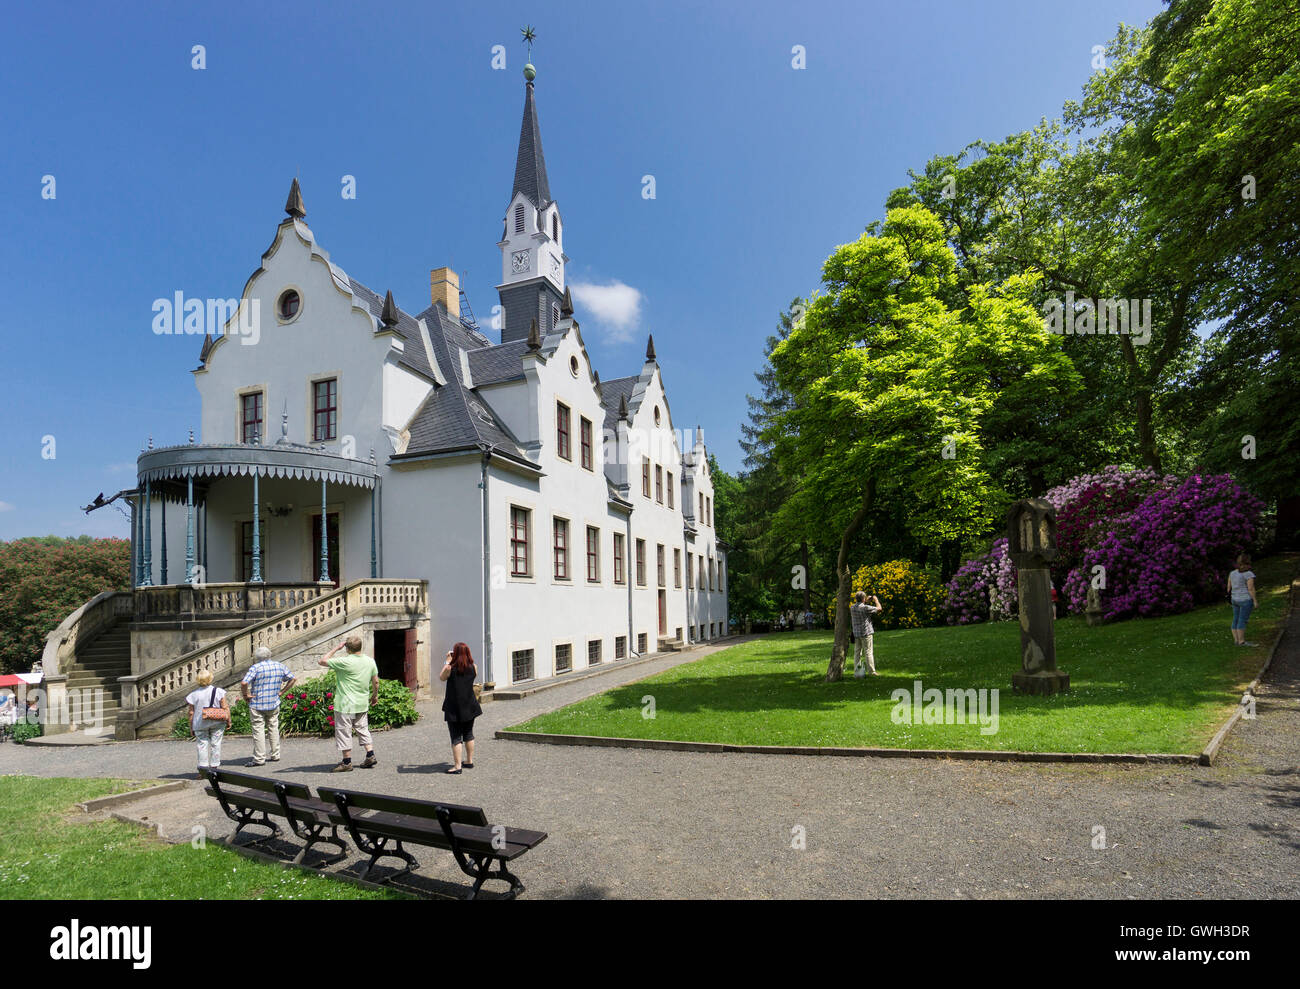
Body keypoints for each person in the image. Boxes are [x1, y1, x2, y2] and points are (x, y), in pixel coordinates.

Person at [320, 636, 379, 772]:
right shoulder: (370, 661)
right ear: (360, 647)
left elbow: (322, 661)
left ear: (347, 648)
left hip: (345, 704)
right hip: (362, 701)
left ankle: (347, 762)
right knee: (362, 728)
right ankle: (370, 754)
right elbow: (375, 682)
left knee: (344, 731)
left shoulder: (344, 661)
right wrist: (374, 696)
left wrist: (336, 648)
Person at [240, 646, 296, 766]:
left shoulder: (255, 667)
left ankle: (259, 758)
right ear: (270, 655)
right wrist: (282, 691)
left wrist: (246, 695)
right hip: (273, 702)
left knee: (258, 730)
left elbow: (244, 682)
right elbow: (292, 678)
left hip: (257, 703)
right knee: (273, 727)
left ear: (256, 657)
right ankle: (275, 754)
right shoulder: (279, 665)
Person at [440, 642, 483, 774]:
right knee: (469, 733)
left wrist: (447, 661)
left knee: (456, 737)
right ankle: (469, 761)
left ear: (455, 654)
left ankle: (457, 766)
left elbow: (441, 678)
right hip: (470, 706)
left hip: (454, 707)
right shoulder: (473, 667)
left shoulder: (449, 669)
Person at [185, 670, 229, 775]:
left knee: (201, 745)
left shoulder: (193, 695)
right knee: (216, 743)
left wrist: (191, 727)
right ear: (210, 679)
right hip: (217, 721)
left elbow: (191, 713)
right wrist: (228, 720)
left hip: (200, 723)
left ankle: (203, 769)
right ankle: (214, 767)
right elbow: (225, 707)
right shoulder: (219, 691)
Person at [1228, 554, 1259, 647]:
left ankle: (1236, 640)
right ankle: (1242, 641)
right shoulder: (1249, 574)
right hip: (1245, 600)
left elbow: (1228, 587)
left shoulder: (1232, 573)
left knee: (1236, 619)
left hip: (1234, 599)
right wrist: (1255, 601)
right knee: (1242, 620)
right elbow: (1251, 588)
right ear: (1248, 562)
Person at [850, 590, 883, 678]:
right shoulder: (865, 608)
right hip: (866, 633)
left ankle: (857, 672)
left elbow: (861, 606)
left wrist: (865, 601)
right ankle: (871, 671)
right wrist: (876, 600)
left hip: (856, 633)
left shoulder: (852, 607)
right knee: (868, 652)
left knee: (857, 653)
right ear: (863, 599)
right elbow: (879, 609)